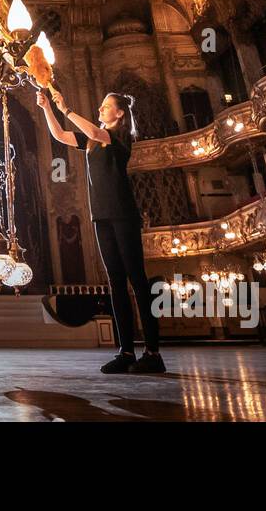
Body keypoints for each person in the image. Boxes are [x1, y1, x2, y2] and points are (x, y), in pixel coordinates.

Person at [35, 87, 165, 374]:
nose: (101, 109)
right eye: (102, 105)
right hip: (101, 216)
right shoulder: (93, 142)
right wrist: (47, 107)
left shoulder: (119, 137)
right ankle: (126, 351)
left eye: (106, 106)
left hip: (123, 214)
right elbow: (60, 136)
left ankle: (153, 352)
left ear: (119, 113)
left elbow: (95, 132)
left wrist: (67, 108)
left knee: (137, 280)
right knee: (116, 282)